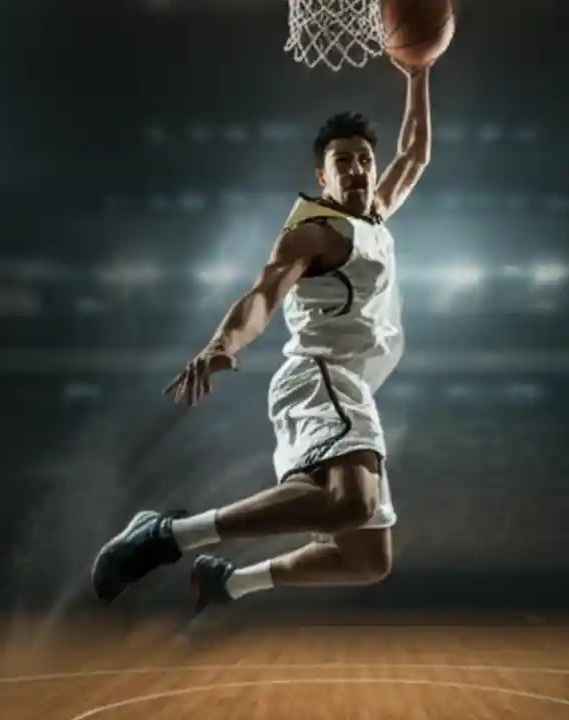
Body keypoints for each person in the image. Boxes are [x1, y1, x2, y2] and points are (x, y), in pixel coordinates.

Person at [91, 56, 435, 616]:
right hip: (321, 377)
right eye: (342, 161)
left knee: (366, 559)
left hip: (345, 387)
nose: (357, 169)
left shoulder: (374, 215)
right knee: (350, 504)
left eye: (365, 160)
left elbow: (415, 153)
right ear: (322, 176)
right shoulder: (313, 233)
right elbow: (263, 295)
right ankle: (166, 536)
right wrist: (223, 345)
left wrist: (418, 74)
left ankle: (228, 583)